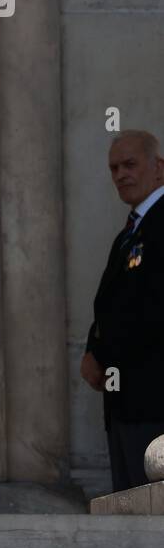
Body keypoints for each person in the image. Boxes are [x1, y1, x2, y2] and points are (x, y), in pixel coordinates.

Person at [81, 129, 164, 492]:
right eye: (114, 168)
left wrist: (99, 353)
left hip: (154, 400)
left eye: (129, 164)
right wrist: (91, 351)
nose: (120, 175)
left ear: (158, 168)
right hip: (125, 403)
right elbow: (110, 302)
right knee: (130, 515)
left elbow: (149, 307)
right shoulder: (129, 233)